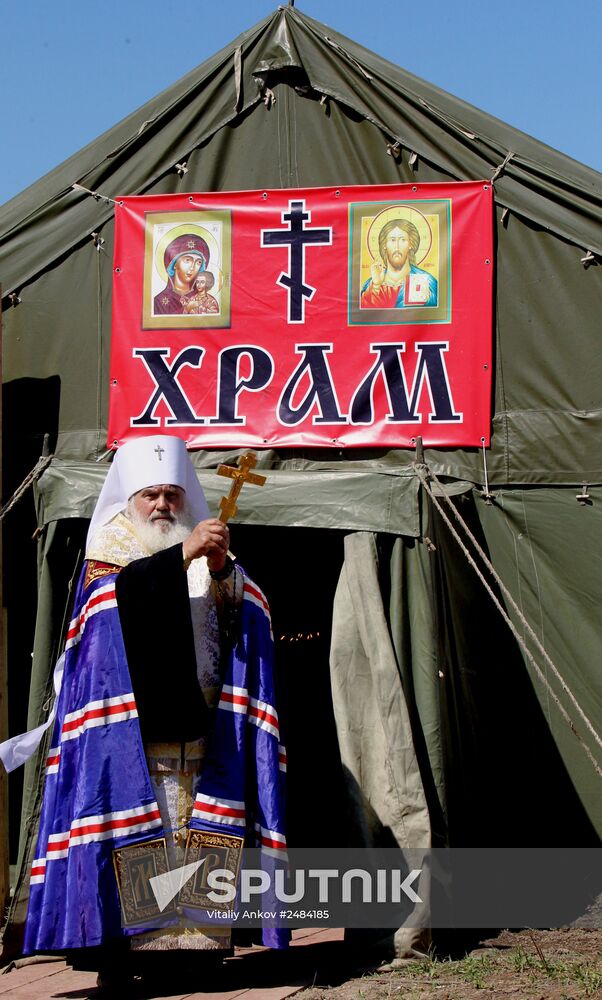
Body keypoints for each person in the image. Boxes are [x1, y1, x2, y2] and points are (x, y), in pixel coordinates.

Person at [17, 435, 287, 987]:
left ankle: (195, 952)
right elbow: (115, 608)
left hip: (202, 727)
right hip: (132, 735)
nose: (163, 504)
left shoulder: (199, 543)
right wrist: (181, 558)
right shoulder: (110, 548)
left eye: (171, 493)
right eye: (150, 495)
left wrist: (219, 571)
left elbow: (246, 611)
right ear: (130, 498)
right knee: (140, 835)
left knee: (195, 832)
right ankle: (128, 954)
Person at [360, 218, 438, 309]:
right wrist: (376, 286)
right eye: (392, 240)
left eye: (402, 240)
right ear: (384, 245)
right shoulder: (372, 285)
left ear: (410, 244)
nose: (397, 246)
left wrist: (428, 301)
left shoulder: (427, 282)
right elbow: (364, 316)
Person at [153, 234, 212, 315]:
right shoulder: (159, 302)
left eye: (198, 262)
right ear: (174, 264)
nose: (192, 267)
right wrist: (186, 310)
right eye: (187, 260)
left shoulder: (206, 300)